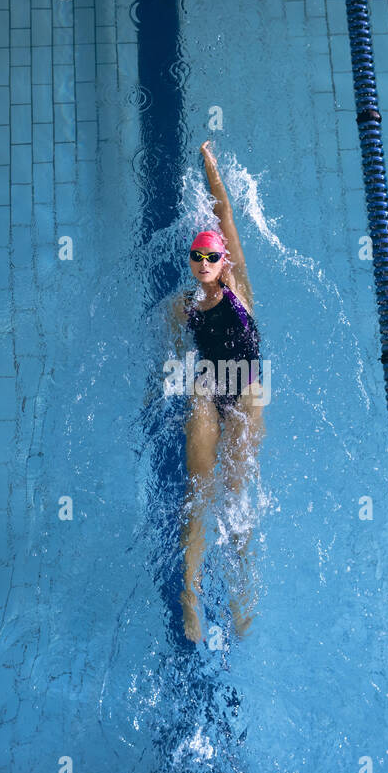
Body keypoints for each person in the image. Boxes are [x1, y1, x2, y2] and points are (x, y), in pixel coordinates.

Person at [171, 141, 265, 645]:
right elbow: (170, 353)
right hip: (208, 393)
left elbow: (225, 210)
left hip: (248, 395)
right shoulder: (182, 307)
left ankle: (240, 595)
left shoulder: (240, 289)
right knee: (197, 496)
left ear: (223, 259)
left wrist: (210, 167)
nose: (204, 261)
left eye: (211, 255)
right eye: (196, 256)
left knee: (238, 493)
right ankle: (190, 596)